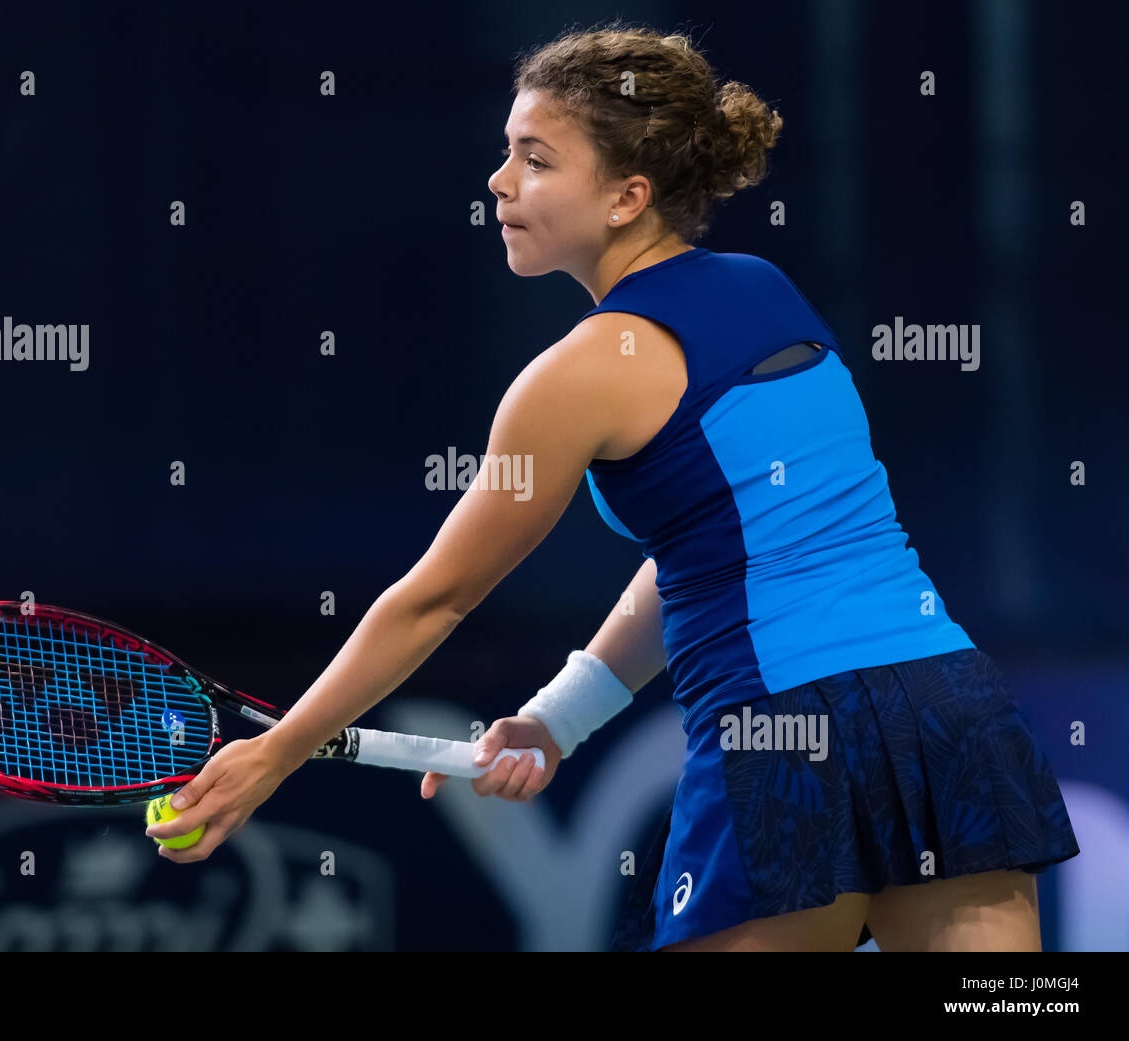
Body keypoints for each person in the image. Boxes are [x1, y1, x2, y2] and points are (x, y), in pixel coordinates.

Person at [146, 23, 1079, 951]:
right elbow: (704, 550)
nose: (499, 182)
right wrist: (558, 719)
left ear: (628, 196)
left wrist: (274, 754)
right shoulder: (764, 287)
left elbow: (437, 597)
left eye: (536, 160)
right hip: (946, 702)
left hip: (786, 722)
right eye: (506, 153)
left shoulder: (575, 375)